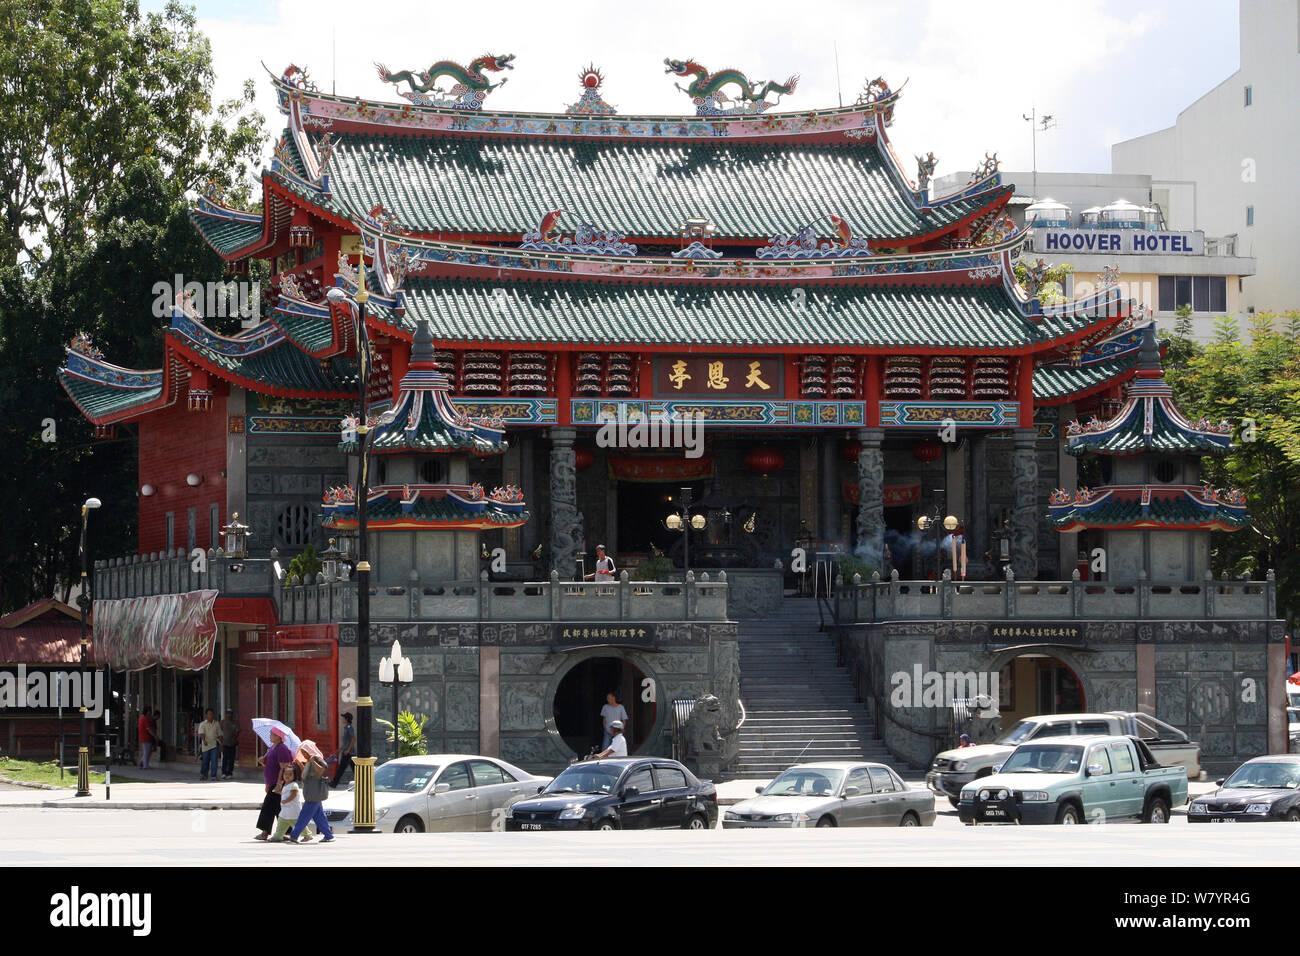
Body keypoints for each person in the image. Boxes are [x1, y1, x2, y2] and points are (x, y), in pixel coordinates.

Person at [254, 729, 295, 841]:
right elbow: (269, 763)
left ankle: (265, 832)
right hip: (272, 782)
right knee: (278, 808)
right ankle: (287, 832)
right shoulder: (272, 748)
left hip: (278, 784)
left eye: (272, 734)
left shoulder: (282, 749)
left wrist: (279, 783)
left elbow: (284, 767)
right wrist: (263, 761)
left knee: (268, 807)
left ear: (278, 736)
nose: (270, 736)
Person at [288, 753, 335, 844]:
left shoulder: (317, 759)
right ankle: (328, 835)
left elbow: (321, 770)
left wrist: (313, 760)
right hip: (311, 792)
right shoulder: (309, 761)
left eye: (304, 751)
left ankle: (294, 835)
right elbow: (306, 775)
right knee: (319, 816)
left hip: (314, 792)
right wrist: (301, 764)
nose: (303, 753)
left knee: (304, 816)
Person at [197, 708, 222, 780]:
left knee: (214, 761)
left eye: (212, 714)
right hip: (206, 745)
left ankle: (213, 776)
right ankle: (203, 774)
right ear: (206, 715)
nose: (210, 715)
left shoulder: (216, 723)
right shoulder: (202, 724)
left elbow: (219, 734)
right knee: (205, 761)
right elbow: (202, 733)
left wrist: (221, 743)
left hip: (214, 744)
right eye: (209, 714)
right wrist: (204, 740)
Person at [331, 712, 355, 787]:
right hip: (348, 752)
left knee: (341, 768)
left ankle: (334, 783)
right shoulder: (346, 727)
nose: (342, 719)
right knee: (354, 769)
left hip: (348, 753)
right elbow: (346, 741)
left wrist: (348, 750)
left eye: (344, 718)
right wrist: (340, 749)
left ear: (347, 719)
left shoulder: (349, 728)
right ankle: (362, 782)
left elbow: (353, 739)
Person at [219, 709, 239, 779]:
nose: (229, 715)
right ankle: (223, 772)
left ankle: (230, 773)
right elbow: (219, 731)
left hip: (232, 743)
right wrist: (221, 741)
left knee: (231, 759)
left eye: (230, 713)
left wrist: (235, 738)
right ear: (226, 714)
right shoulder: (223, 722)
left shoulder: (235, 722)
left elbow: (238, 731)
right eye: (228, 713)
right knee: (225, 758)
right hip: (225, 743)